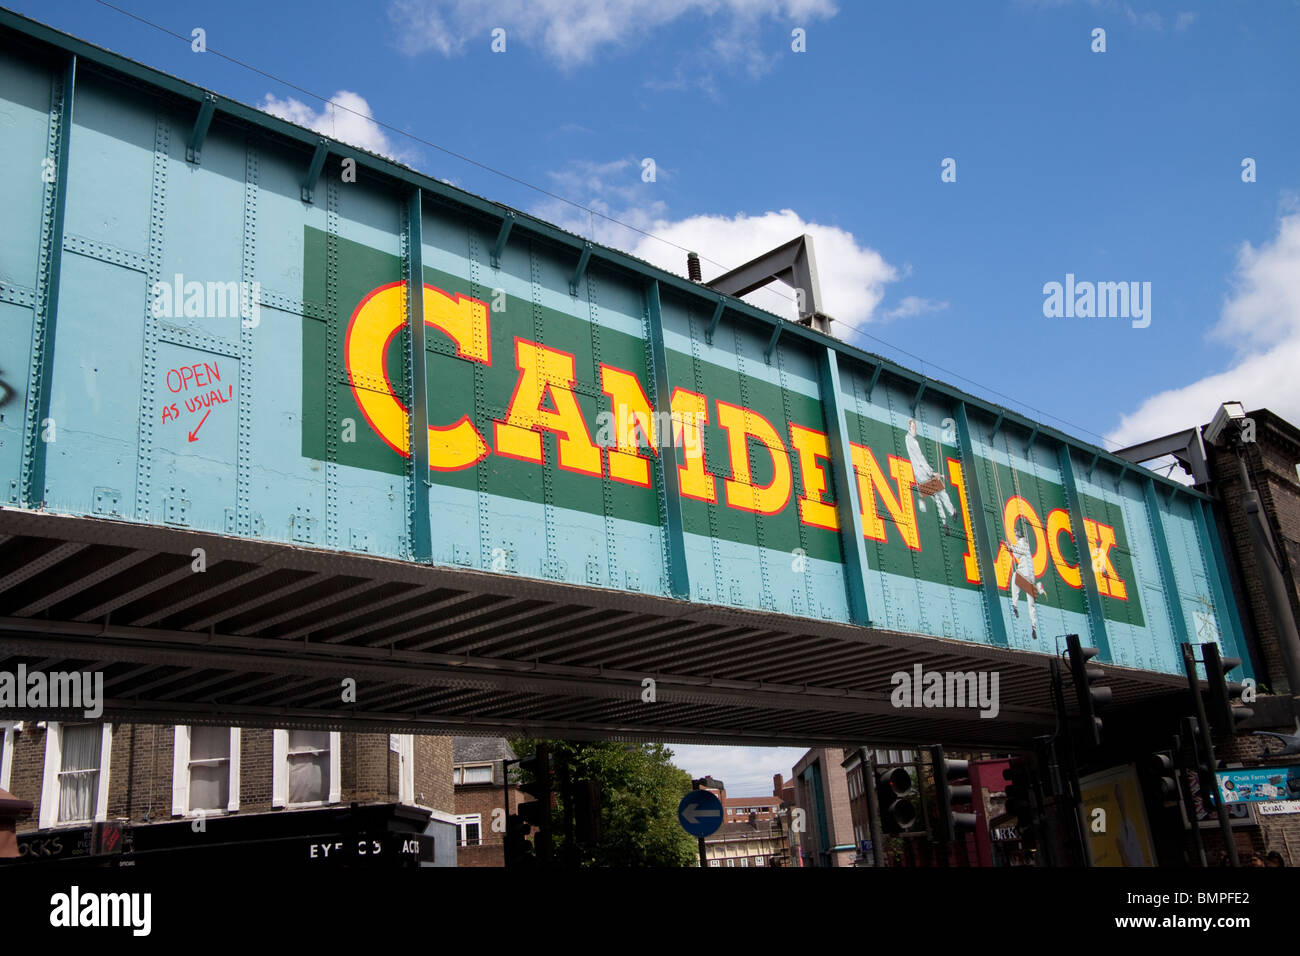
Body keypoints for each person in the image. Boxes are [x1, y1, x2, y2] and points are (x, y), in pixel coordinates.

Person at [904, 419, 956, 525]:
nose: (915, 429)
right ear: (910, 427)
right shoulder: (911, 440)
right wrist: (932, 473)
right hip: (923, 473)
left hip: (920, 475)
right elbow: (920, 459)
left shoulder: (910, 439)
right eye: (914, 427)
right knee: (941, 494)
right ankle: (951, 513)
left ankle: (944, 521)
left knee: (937, 497)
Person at [1006, 531, 1045, 640]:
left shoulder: (1023, 543)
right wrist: (1010, 548)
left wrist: (1011, 547)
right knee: (1031, 604)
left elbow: (1020, 551)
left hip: (1025, 573)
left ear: (1018, 537)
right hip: (1030, 578)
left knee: (1015, 579)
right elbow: (1017, 554)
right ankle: (1034, 626)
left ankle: (1014, 604)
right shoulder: (1023, 545)